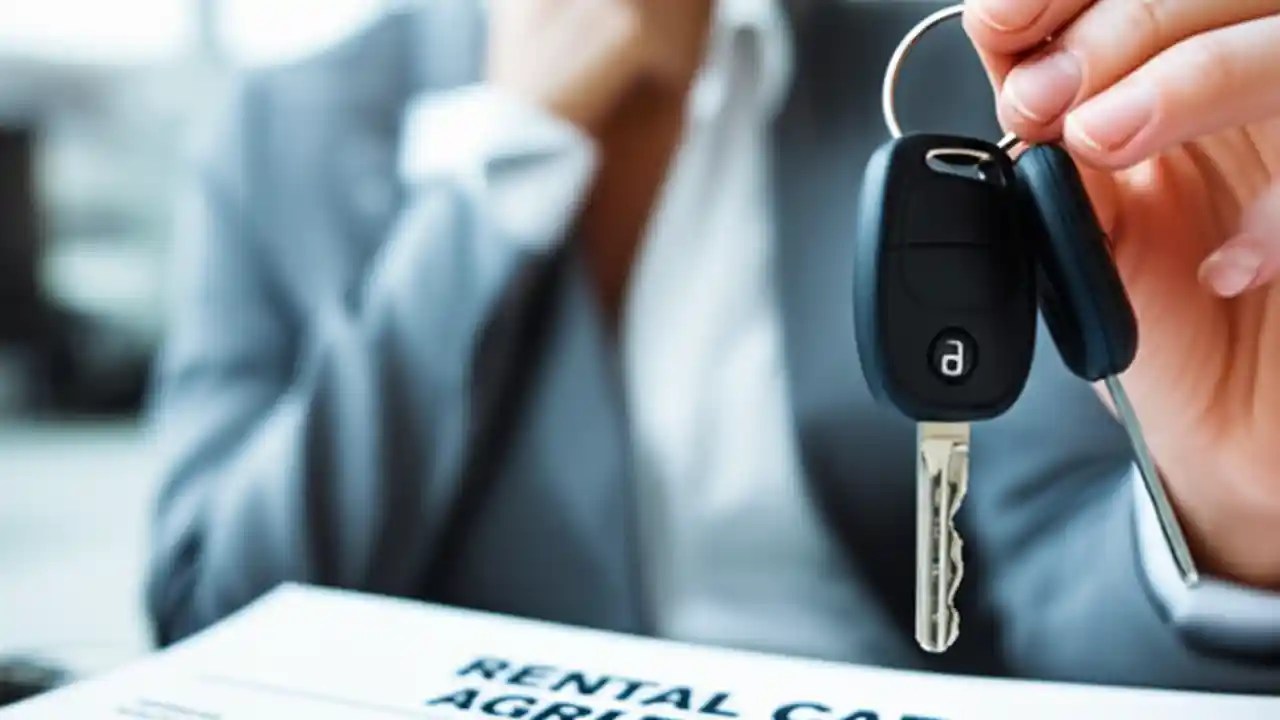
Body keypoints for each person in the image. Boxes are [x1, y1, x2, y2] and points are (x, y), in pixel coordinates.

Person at [145, 0, 1280, 691]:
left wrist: (1237, 509)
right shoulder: (279, 124)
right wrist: (501, 174)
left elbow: (1059, 614)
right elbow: (212, 608)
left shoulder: (953, 79)